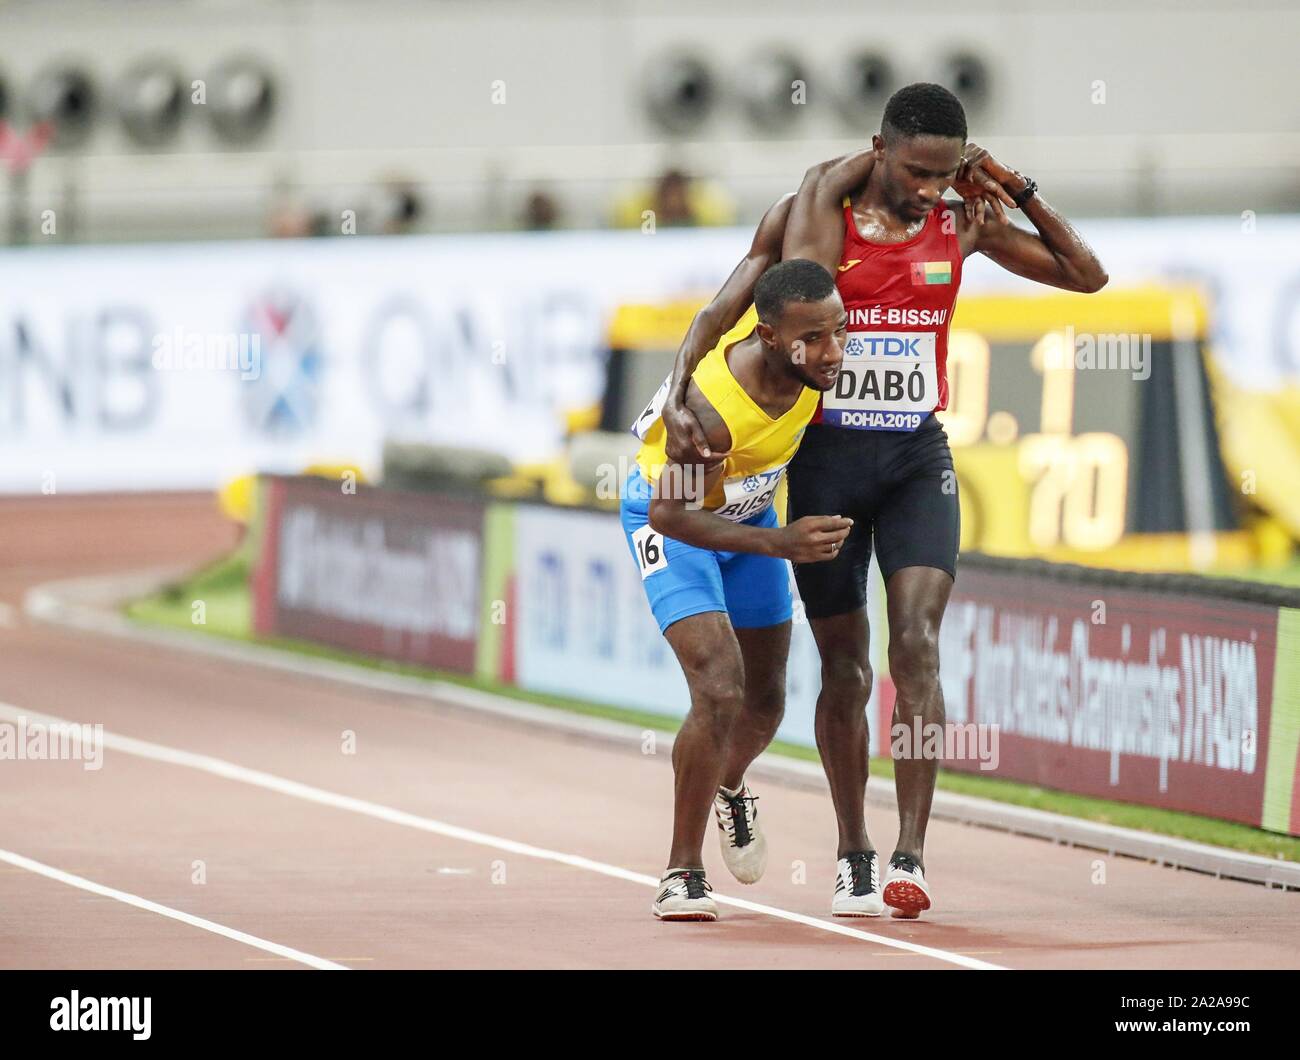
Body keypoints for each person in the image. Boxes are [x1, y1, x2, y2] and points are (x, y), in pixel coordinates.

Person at [663, 83, 1109, 919]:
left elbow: (1087, 275)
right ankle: (853, 852)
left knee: (918, 644)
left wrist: (1014, 187)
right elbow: (784, 225)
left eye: (947, 174)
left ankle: (910, 853)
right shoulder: (823, 222)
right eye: (915, 172)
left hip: (914, 458)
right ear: (879, 151)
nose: (932, 191)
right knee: (845, 665)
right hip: (827, 462)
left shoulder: (960, 223)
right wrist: (683, 386)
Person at [621, 259, 850, 921]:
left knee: (767, 700)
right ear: (771, 337)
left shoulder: (812, 365)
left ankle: (727, 784)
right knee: (720, 685)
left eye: (840, 331)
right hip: (675, 522)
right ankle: (681, 872)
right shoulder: (711, 414)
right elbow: (672, 515)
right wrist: (781, 543)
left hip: (747, 523)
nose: (833, 351)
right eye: (815, 338)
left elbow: (787, 223)